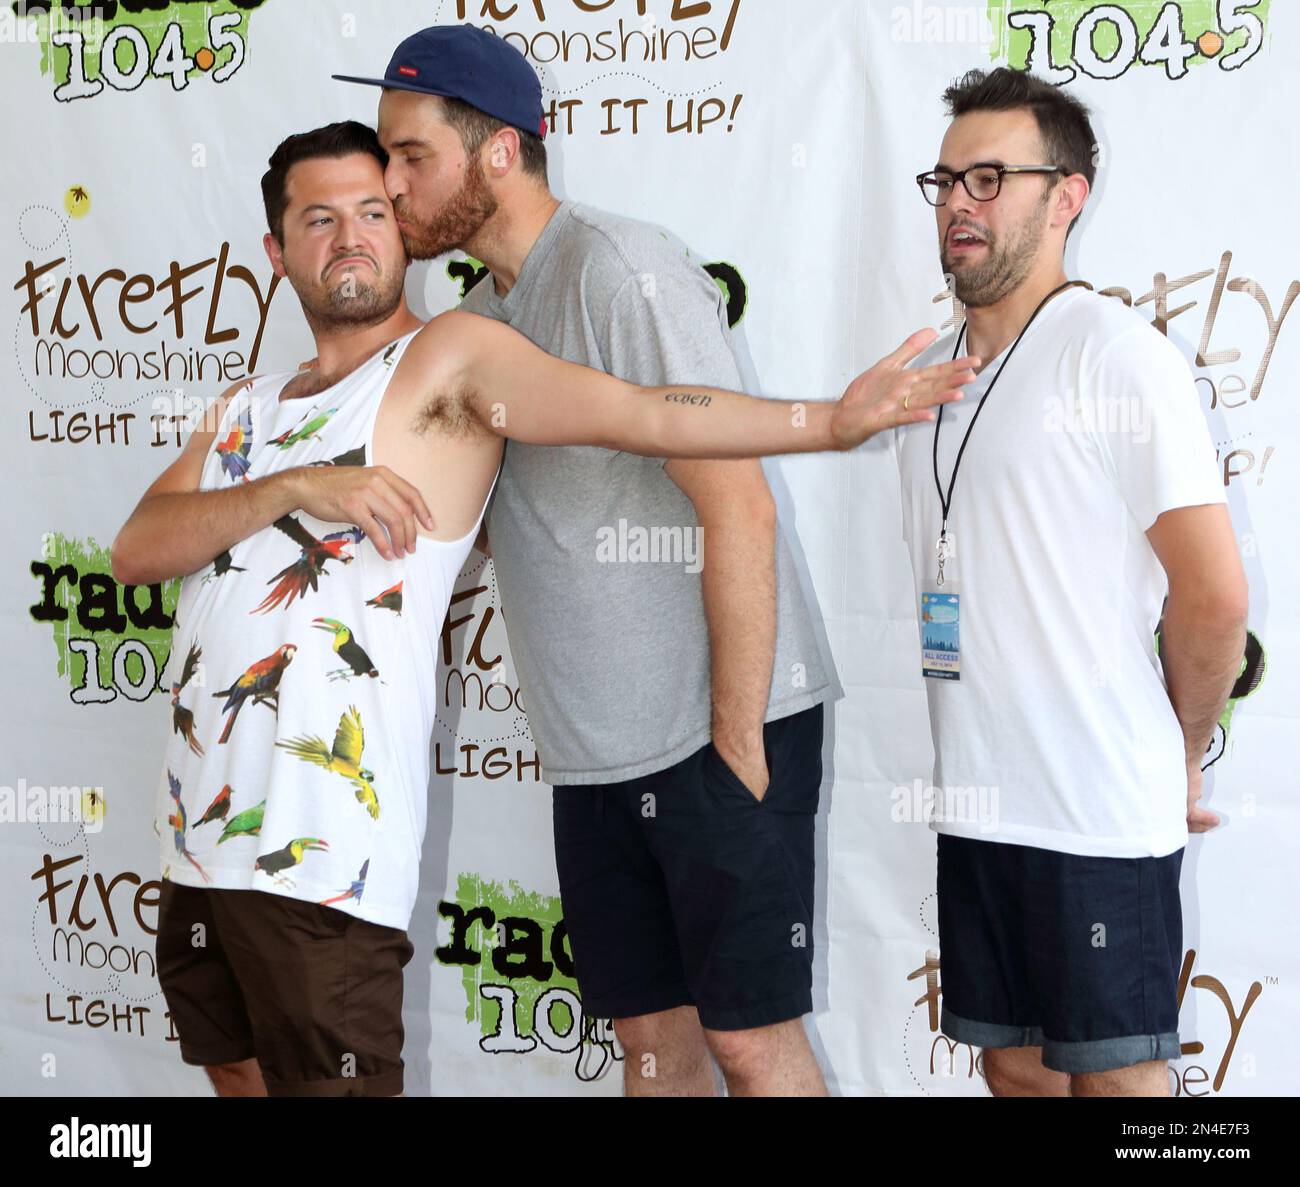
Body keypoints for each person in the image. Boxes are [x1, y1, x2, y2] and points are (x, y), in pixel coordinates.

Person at [111, 119, 975, 1098]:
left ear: (400, 230)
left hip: (320, 851)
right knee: (237, 1066)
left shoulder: (456, 357)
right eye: (319, 219)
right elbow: (139, 547)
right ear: (277, 252)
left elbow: (646, 410)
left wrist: (823, 421)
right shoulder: (245, 408)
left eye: (369, 212)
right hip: (197, 840)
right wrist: (290, 486)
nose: (349, 237)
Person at [335, 23, 863, 1096]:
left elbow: (739, 502)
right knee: (652, 1045)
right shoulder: (475, 320)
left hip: (714, 730)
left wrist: (736, 734)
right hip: (599, 761)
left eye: (410, 155)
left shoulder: (621, 269)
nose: (389, 184)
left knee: (752, 1043)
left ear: (498, 151)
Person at [897, 67, 1248, 1097]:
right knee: (1010, 1069)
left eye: (992, 176)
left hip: (1093, 814)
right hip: (977, 804)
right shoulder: (927, 371)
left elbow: (1214, 594)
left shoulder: (1116, 357)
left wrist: (1181, 750)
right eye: (948, 179)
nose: (961, 202)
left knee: (1119, 1090)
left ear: (1066, 197)